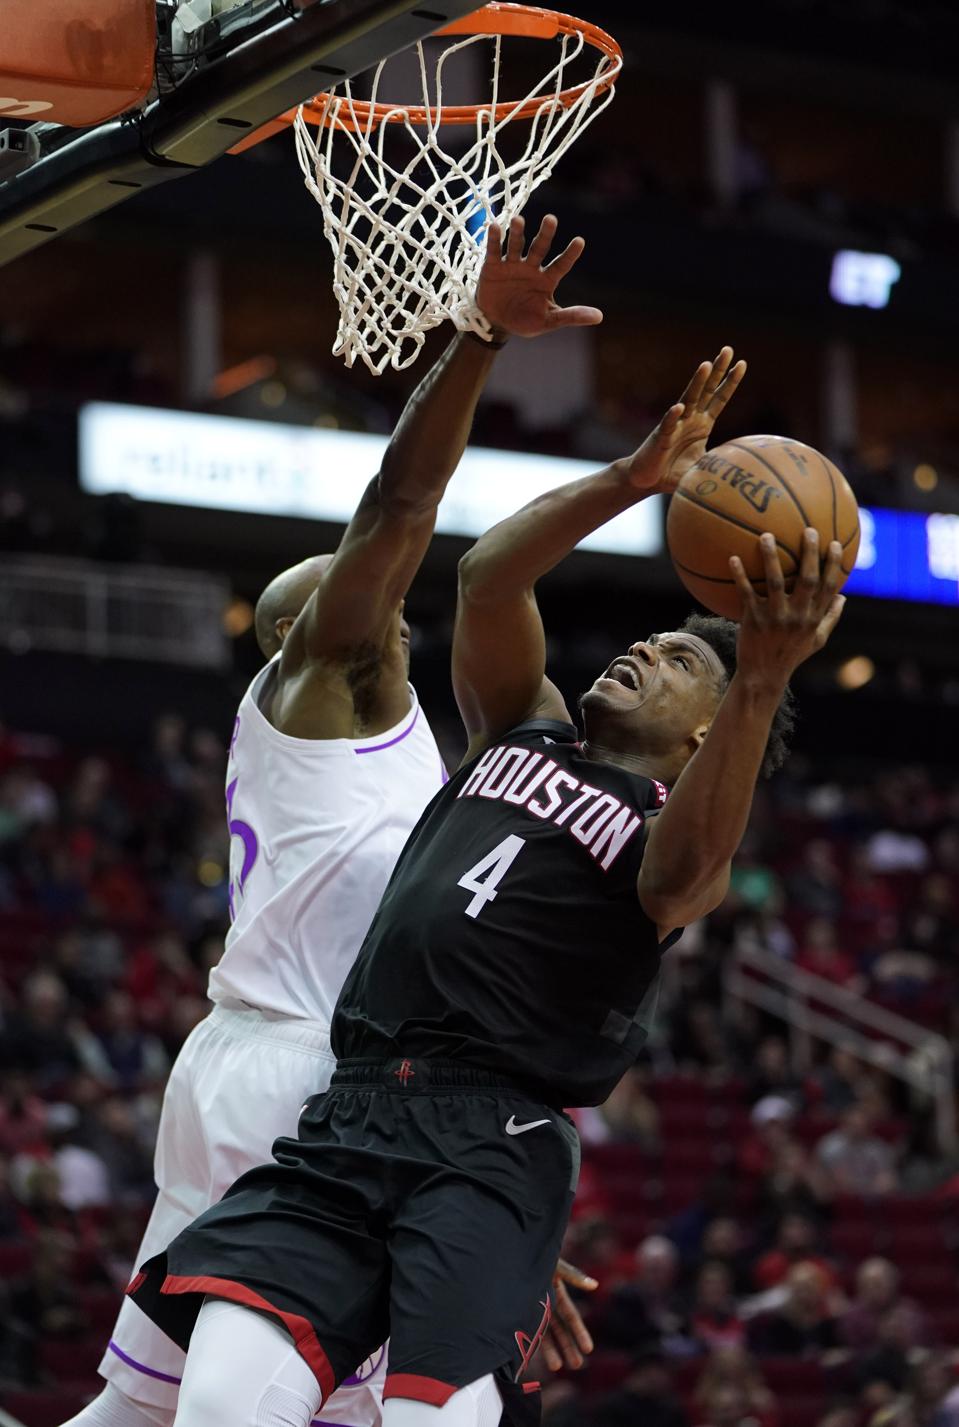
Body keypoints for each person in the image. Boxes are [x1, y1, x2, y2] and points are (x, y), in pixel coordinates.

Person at [128, 340, 848, 1427]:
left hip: (490, 1136)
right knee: (221, 1400)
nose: (644, 651)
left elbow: (690, 873)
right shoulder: (525, 729)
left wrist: (755, 674)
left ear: (705, 728)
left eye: (676, 662)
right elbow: (485, 576)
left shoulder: (672, 829)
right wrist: (630, 479)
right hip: (352, 1101)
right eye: (650, 638)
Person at [70, 214, 599, 1427]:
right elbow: (399, 504)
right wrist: (472, 342)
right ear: (295, 642)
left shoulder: (410, 740)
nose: (382, 614)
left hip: (272, 1074)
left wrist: (490, 1217)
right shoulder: (316, 692)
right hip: (315, 1085)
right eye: (353, 604)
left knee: (141, 1409)